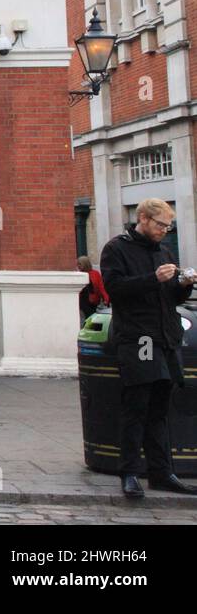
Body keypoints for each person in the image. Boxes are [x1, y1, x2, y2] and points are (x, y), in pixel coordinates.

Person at [99, 198, 197, 498]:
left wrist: (184, 284)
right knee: (136, 404)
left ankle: (162, 471)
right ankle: (129, 472)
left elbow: (171, 298)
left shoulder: (164, 251)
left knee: (160, 407)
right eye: (160, 225)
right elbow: (115, 290)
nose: (164, 231)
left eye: (168, 226)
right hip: (138, 337)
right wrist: (153, 278)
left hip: (165, 336)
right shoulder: (116, 249)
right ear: (142, 218)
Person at [77, 255, 110, 320]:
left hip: (93, 301)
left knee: (92, 316)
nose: (78, 266)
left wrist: (106, 298)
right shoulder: (78, 274)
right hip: (82, 300)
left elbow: (101, 287)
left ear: (85, 264)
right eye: (77, 264)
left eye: (80, 264)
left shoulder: (95, 274)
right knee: (88, 316)